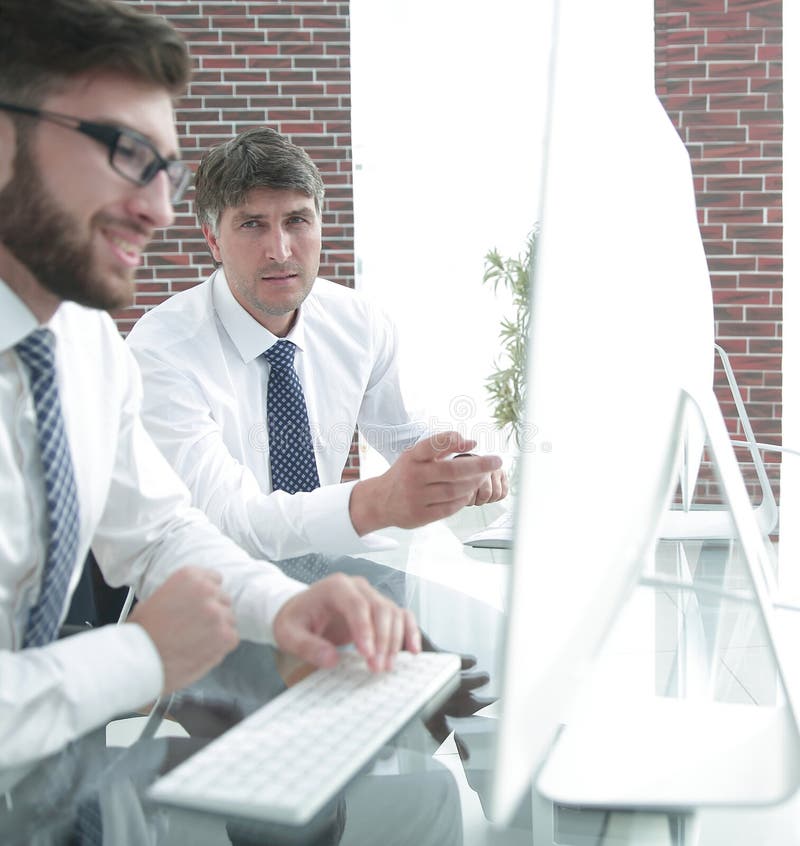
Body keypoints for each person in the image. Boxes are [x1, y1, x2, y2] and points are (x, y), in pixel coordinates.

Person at [0, 0, 423, 773]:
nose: (158, 209)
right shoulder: (159, 342)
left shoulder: (87, 342)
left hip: (51, 782)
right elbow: (216, 526)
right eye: (123, 152)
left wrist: (285, 603)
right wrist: (138, 658)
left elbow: (161, 531)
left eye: (166, 170)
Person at [126, 126, 507, 563]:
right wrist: (376, 501)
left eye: (297, 221)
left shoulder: (359, 324)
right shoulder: (159, 351)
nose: (280, 251)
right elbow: (228, 520)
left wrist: (459, 468)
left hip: (325, 584)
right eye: (252, 225)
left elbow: (400, 434)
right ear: (213, 240)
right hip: (203, 593)